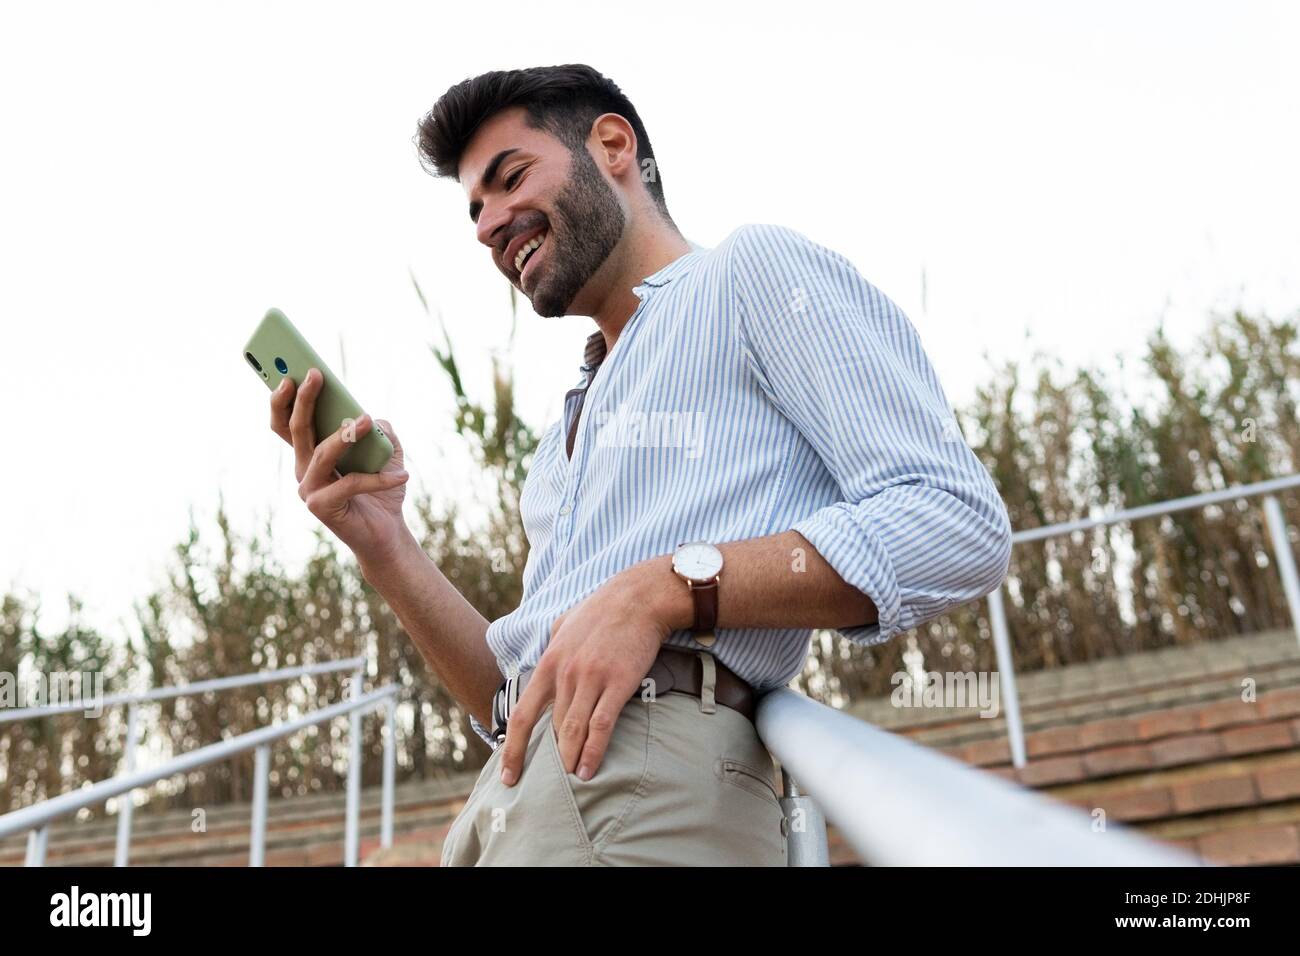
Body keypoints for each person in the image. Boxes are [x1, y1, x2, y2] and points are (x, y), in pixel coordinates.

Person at [268, 64, 1013, 866]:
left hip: (645, 785)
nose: (487, 225)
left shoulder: (747, 274)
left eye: (509, 178)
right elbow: (509, 697)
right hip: (512, 804)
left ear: (614, 145)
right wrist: (383, 544)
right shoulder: (558, 448)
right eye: (475, 212)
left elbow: (952, 519)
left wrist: (668, 588)